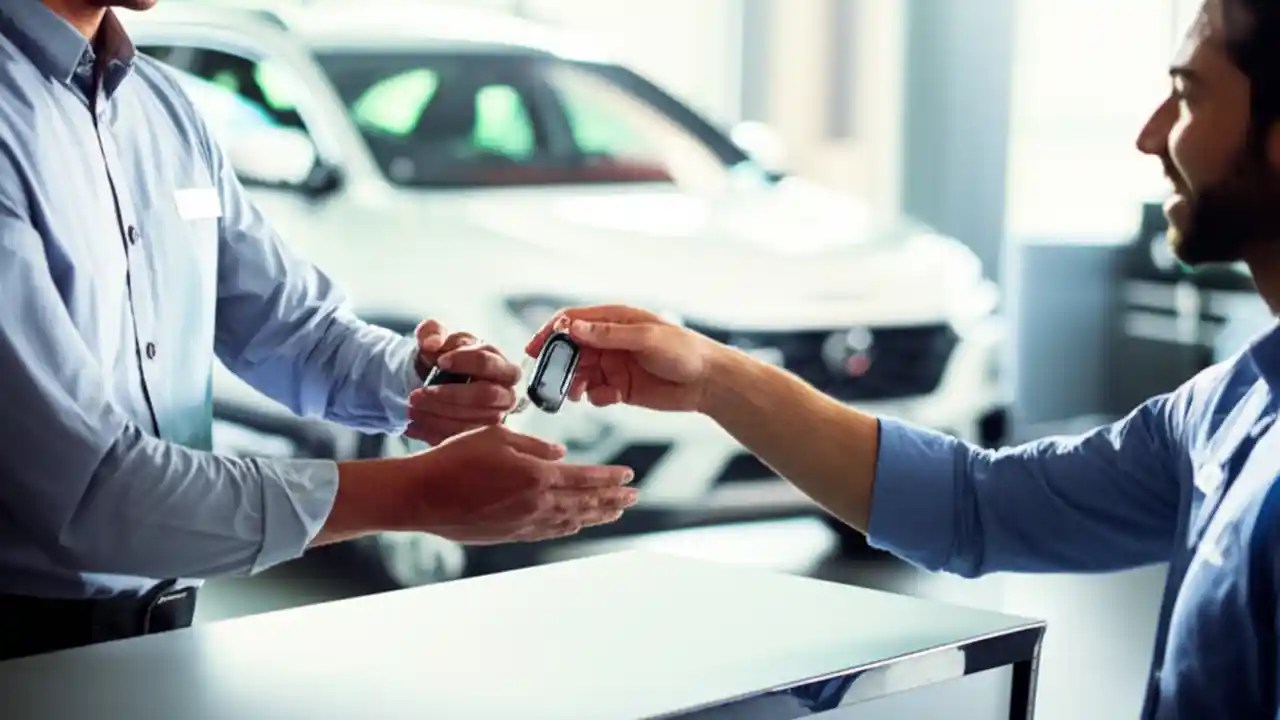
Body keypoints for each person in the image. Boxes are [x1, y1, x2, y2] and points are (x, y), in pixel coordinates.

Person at [528, 0, 1280, 717]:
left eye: (1188, 96)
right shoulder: (1229, 407)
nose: (1151, 136)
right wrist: (714, 378)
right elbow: (975, 504)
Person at [0, 0, 637, 661]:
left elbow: (288, 323)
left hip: (164, 635)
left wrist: (425, 383)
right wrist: (414, 493)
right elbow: (92, 493)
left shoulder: (163, 107)